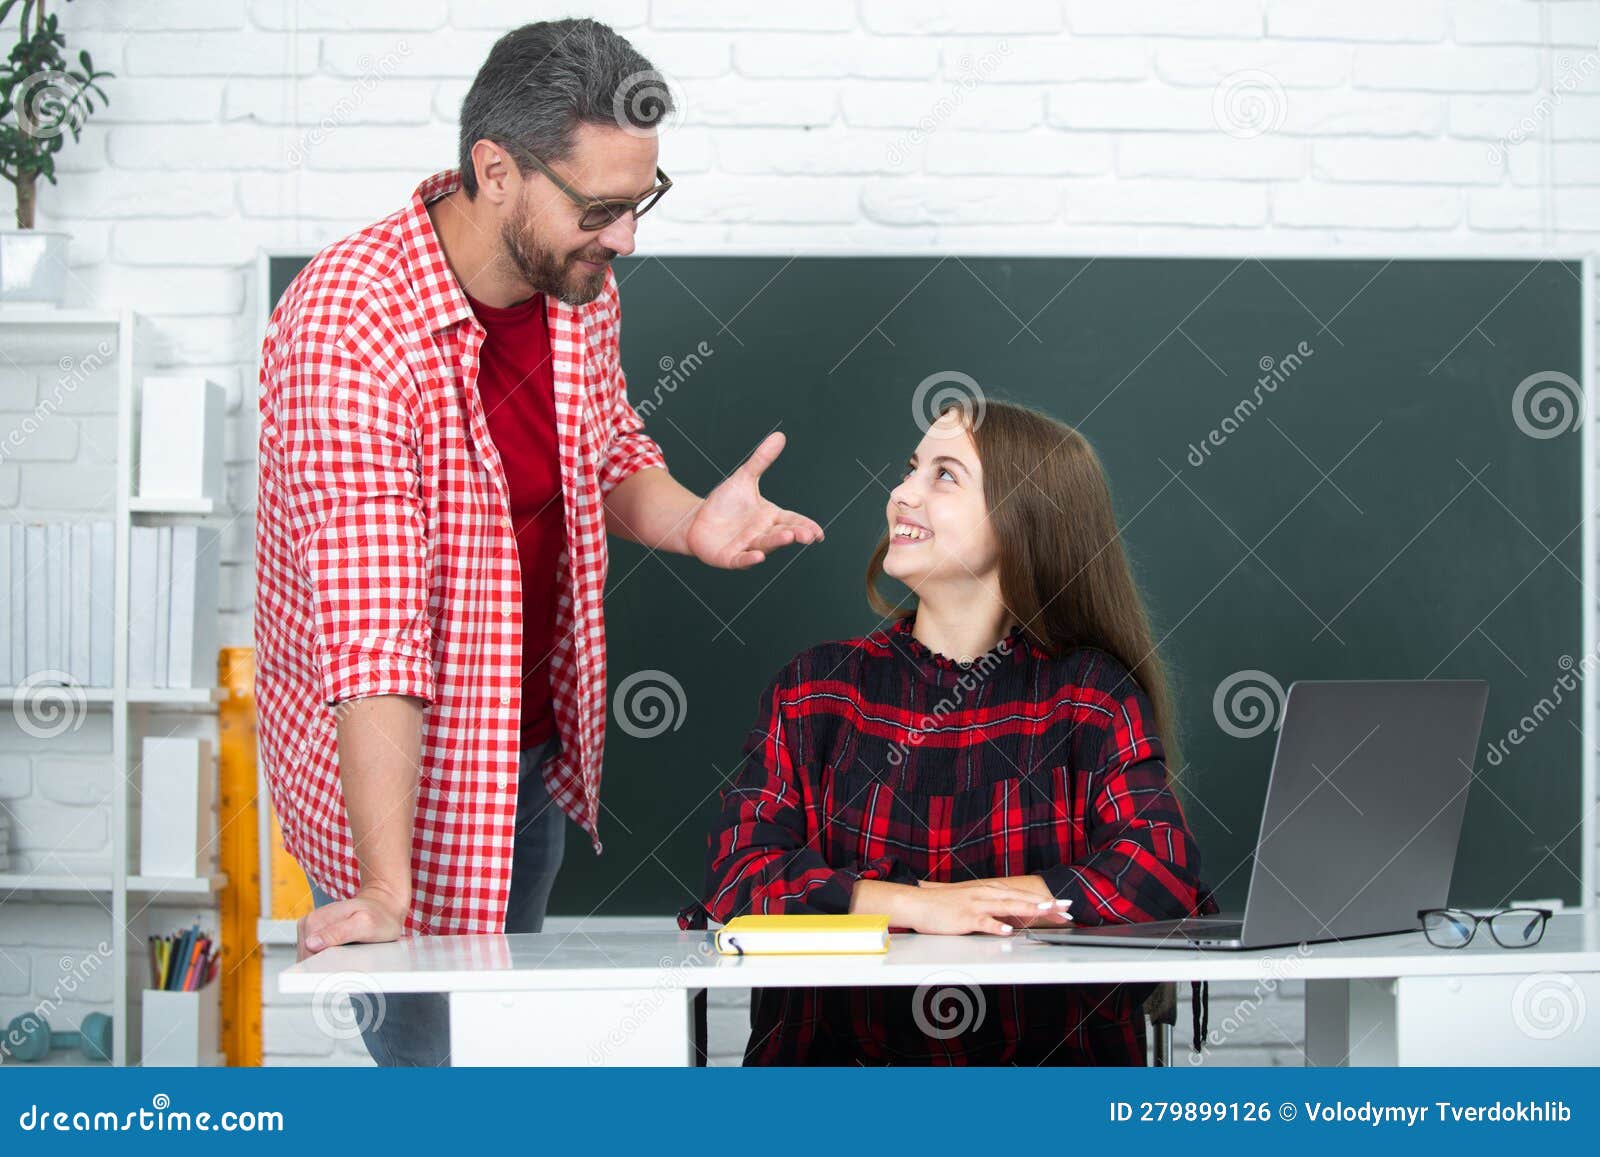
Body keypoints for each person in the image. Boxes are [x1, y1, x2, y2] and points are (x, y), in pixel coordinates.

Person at [255, 19, 822, 1067]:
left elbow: (605, 451)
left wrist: (688, 520)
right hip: (397, 781)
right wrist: (385, 891)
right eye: (600, 209)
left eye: (640, 203)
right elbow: (374, 637)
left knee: (511, 1071)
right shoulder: (350, 325)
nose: (627, 240)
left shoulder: (576, 287)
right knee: (438, 1087)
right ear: (495, 171)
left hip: (527, 758)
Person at [679, 398, 1219, 1065]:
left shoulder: (1093, 697)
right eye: (910, 469)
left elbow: (1160, 873)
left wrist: (970, 902)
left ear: (1022, 519)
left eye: (944, 475)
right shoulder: (816, 690)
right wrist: (920, 905)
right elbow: (740, 875)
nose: (901, 492)